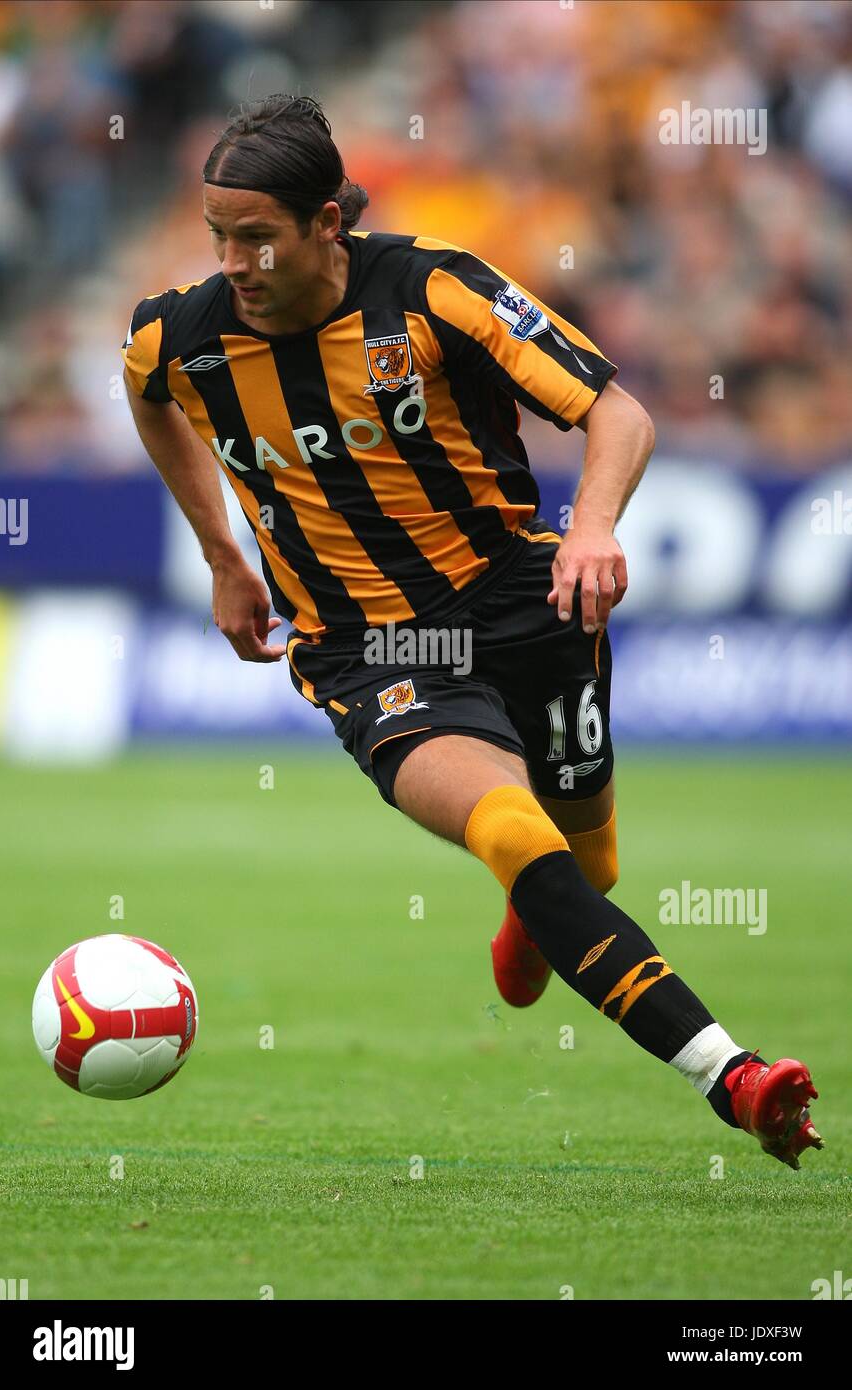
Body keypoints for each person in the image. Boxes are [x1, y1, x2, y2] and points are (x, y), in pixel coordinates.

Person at [122, 94, 822, 1169]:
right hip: (373, 649)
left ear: (327, 223)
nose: (236, 262)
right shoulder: (184, 337)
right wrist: (224, 556)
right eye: (219, 236)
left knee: (588, 862)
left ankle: (538, 914)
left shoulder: (436, 290)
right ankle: (731, 1074)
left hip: (521, 601)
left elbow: (615, 415)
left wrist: (588, 528)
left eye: (257, 235)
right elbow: (149, 395)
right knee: (513, 832)